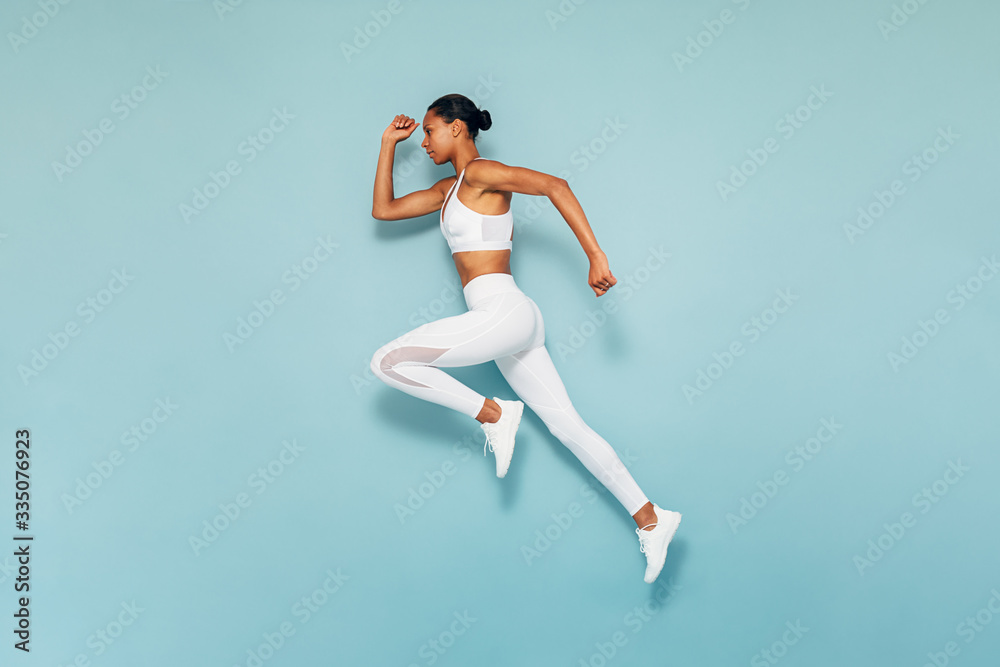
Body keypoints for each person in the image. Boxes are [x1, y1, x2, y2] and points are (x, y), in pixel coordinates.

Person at [369, 93, 681, 583]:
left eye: (429, 131)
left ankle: (494, 413)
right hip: (510, 320)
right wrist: (389, 144)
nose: (423, 142)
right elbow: (383, 210)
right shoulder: (449, 190)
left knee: (387, 363)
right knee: (568, 428)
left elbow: (554, 185)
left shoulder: (480, 173)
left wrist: (595, 257)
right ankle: (652, 518)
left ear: (456, 128)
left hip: (503, 312)